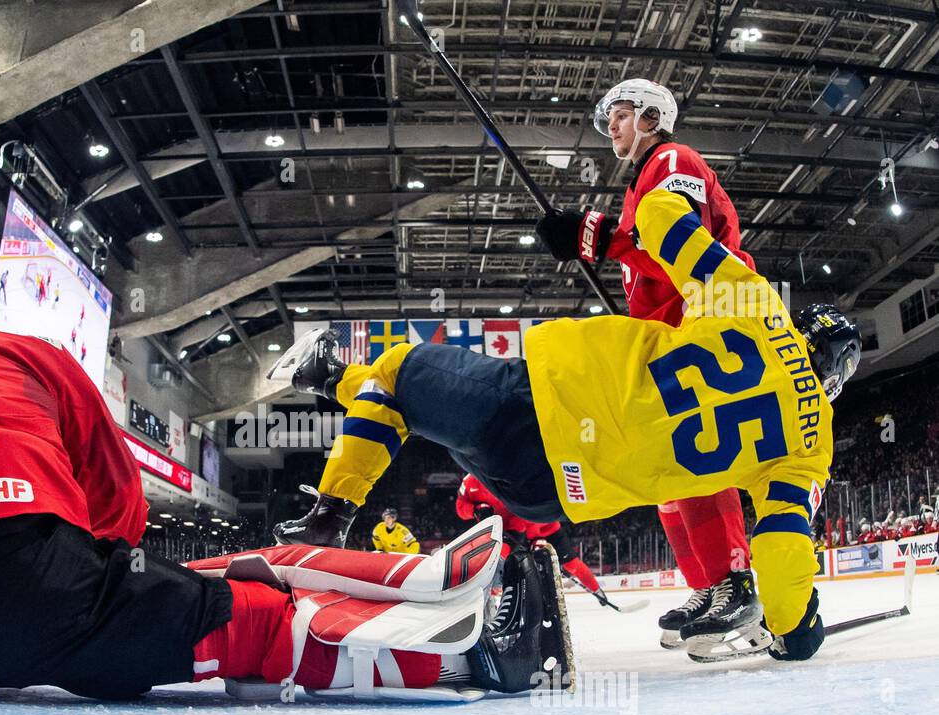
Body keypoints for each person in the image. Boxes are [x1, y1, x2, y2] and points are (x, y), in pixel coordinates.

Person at [0, 266, 569, 703]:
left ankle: (454, 638)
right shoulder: (36, 355)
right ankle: (471, 657)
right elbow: (112, 494)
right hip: (32, 581)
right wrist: (109, 568)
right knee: (240, 615)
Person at [270, 189, 862, 664]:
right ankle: (332, 381)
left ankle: (329, 515)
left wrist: (635, 217)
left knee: (395, 375)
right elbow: (782, 544)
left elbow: (661, 217)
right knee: (404, 401)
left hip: (539, 405)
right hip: (554, 492)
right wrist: (796, 626)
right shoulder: (811, 444)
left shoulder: (756, 306)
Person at [535, 79, 757, 650]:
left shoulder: (672, 159)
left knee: (699, 456)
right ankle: (709, 586)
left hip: (703, 323)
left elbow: (682, 241)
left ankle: (736, 582)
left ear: (655, 116)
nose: (611, 125)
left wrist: (593, 235)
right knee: (669, 473)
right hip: (667, 331)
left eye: (623, 114)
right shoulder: (640, 183)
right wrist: (598, 238)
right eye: (609, 117)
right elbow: (645, 253)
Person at [456, 473, 610, 607]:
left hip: (545, 526)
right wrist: (474, 510)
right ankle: (491, 595)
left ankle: (597, 591)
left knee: (571, 563)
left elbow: (528, 510)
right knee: (498, 559)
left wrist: (536, 537)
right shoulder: (469, 482)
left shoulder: (510, 476)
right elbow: (460, 508)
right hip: (506, 527)